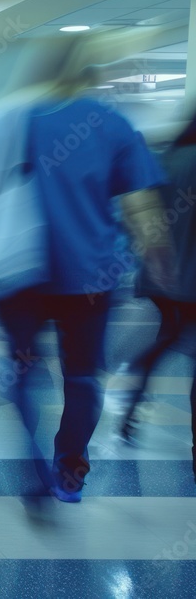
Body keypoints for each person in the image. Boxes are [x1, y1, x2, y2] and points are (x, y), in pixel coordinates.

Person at [0, 53, 174, 506]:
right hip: (91, 277)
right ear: (90, 74)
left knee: (23, 369)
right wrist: (157, 257)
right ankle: (70, 471)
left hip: (18, 273)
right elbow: (139, 204)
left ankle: (31, 465)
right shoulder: (112, 122)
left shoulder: (12, 119)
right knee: (83, 377)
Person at [118, 113, 196, 472]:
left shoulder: (164, 160)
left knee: (169, 334)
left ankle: (131, 410)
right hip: (189, 277)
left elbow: (133, 214)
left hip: (160, 275)